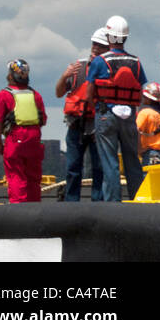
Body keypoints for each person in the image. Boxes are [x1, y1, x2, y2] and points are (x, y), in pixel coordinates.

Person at [87, 15, 147, 201]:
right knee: (132, 161)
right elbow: (141, 89)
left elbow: (90, 91)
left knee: (110, 162)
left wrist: (94, 108)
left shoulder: (99, 61)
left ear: (109, 37)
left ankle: (113, 206)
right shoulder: (135, 62)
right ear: (125, 38)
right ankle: (138, 200)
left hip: (106, 114)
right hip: (129, 116)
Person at [54, 28, 107, 201]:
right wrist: (65, 76)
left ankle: (97, 204)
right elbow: (59, 92)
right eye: (94, 44)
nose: (96, 48)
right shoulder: (78, 67)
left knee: (98, 169)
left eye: (100, 45)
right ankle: (71, 204)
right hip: (76, 126)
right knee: (73, 168)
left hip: (96, 128)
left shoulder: (108, 69)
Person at [0, 58, 47, 203]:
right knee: (34, 178)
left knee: (16, 176)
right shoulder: (35, 95)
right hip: (34, 139)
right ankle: (35, 210)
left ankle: (19, 211)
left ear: (11, 75)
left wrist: (0, 144)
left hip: (16, 138)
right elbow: (43, 120)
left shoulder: (4, 95)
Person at [138, 81, 160, 169]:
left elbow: (136, 131)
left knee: (149, 180)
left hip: (151, 154)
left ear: (148, 98)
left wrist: (139, 149)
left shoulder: (145, 113)